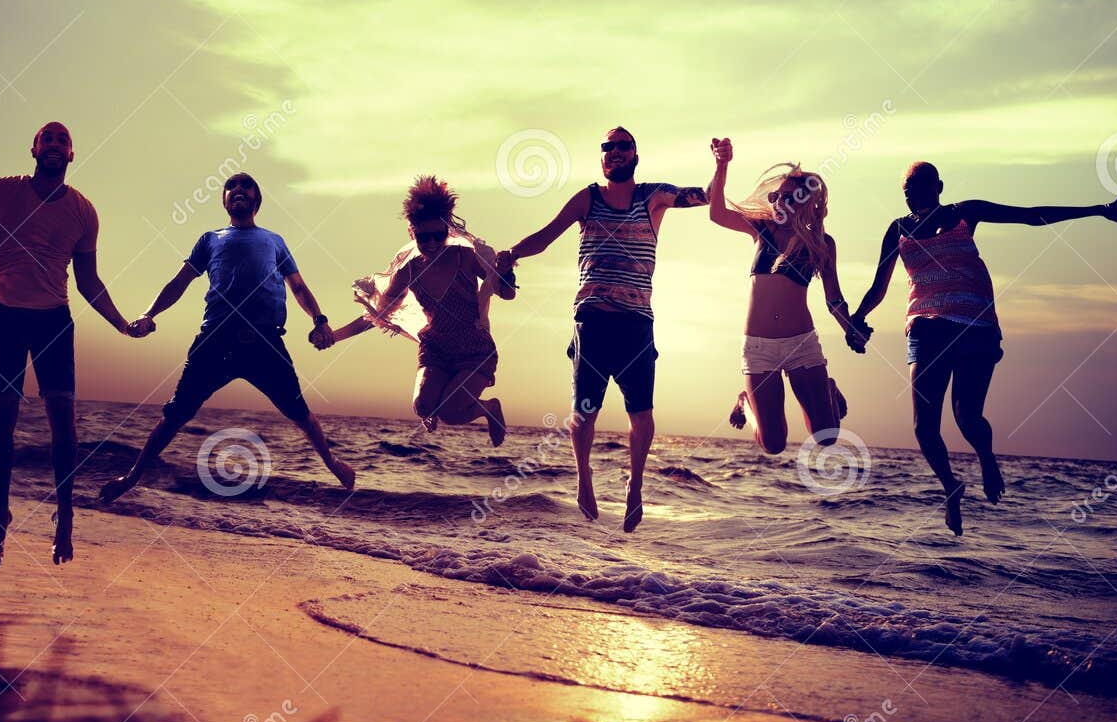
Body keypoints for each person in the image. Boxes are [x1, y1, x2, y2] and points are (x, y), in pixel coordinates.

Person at [852, 161, 1117, 535]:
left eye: (920, 184)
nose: (912, 191)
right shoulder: (897, 230)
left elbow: (1030, 216)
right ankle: (951, 488)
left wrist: (1098, 210)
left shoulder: (965, 213)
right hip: (926, 329)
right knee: (923, 427)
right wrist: (857, 319)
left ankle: (987, 459)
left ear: (938, 186)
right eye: (906, 186)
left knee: (967, 417)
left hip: (974, 326)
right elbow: (879, 287)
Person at [0, 122, 135, 569]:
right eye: (46, 138)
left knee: (62, 422)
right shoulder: (1, 192)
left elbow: (87, 282)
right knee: (1, 419)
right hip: (2, 315)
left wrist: (122, 325)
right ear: (33, 148)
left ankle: (64, 515)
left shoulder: (84, 213)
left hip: (53, 321)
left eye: (62, 140)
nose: (53, 144)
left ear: (71, 154)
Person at [496, 126, 709, 532]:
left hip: (636, 322)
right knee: (583, 411)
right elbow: (546, 235)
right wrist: (512, 254)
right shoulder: (587, 198)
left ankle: (635, 485)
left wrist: (721, 165)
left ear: (635, 155)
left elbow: (704, 195)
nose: (613, 152)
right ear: (602, 157)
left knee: (641, 413)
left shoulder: (654, 197)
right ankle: (584, 476)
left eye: (622, 146)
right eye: (607, 147)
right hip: (591, 318)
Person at [99, 173, 355, 502]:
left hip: (265, 342)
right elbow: (179, 282)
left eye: (246, 187)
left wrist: (320, 320)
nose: (238, 191)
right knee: (176, 414)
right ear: (224, 200)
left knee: (299, 412)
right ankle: (132, 476)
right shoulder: (210, 239)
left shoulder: (274, 241)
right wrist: (149, 314)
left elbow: (299, 287)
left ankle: (332, 463)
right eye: (231, 187)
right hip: (215, 340)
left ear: (256, 201)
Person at [705, 138, 865, 454]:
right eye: (775, 196)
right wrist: (722, 165)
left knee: (827, 437)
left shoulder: (822, 243)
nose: (779, 202)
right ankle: (745, 402)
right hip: (758, 347)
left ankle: (827, 389)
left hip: (801, 343)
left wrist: (851, 329)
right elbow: (717, 213)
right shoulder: (760, 230)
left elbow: (833, 297)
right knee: (773, 444)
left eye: (788, 197)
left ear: (806, 201)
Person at [328, 176, 515, 444]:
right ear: (411, 232)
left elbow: (506, 294)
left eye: (437, 235)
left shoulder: (464, 257)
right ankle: (434, 404)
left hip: (474, 349)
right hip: (436, 348)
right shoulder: (409, 271)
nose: (430, 243)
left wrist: (506, 272)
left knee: (451, 412)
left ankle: (490, 409)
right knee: (422, 407)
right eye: (422, 236)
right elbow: (376, 316)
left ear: (447, 230)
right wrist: (334, 336)